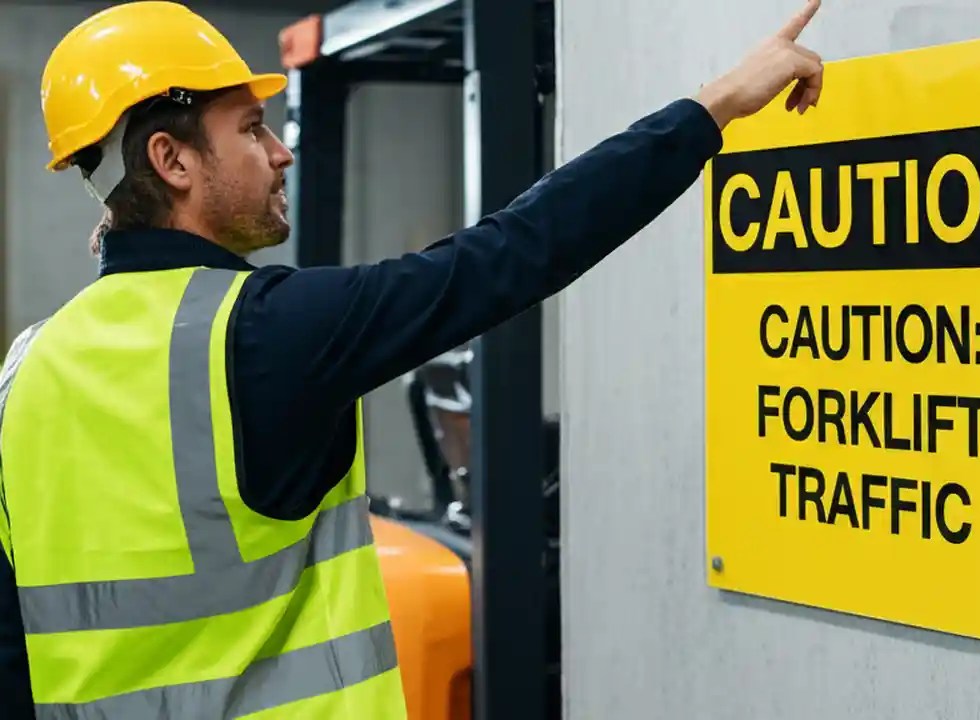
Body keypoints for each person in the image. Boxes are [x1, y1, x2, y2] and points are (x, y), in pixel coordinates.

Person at [0, 0, 825, 716]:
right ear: (171, 161)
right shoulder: (263, 333)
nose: (281, 152)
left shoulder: (25, 372)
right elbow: (515, 252)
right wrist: (714, 106)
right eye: (250, 130)